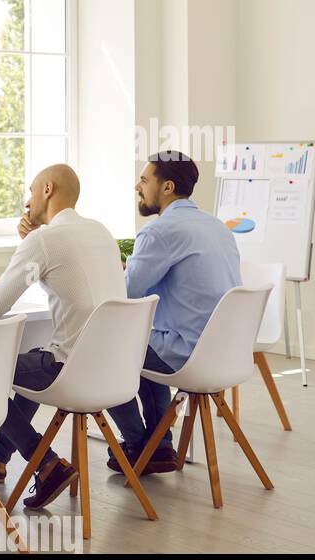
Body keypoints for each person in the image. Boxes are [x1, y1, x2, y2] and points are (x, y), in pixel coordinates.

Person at [0, 164, 127, 508]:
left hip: (73, 372)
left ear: (47, 189)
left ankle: (45, 464)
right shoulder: (100, 231)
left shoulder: (43, 241)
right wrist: (32, 243)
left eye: (31, 191)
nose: (28, 202)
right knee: (34, 357)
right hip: (115, 371)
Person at [105, 151, 241, 473]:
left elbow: (127, 294)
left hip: (187, 354)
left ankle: (140, 443)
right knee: (146, 342)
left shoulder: (159, 232)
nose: (137, 186)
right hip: (226, 354)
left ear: (166, 187)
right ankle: (160, 445)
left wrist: (112, 270)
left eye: (143, 180)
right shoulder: (217, 227)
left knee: (105, 351)